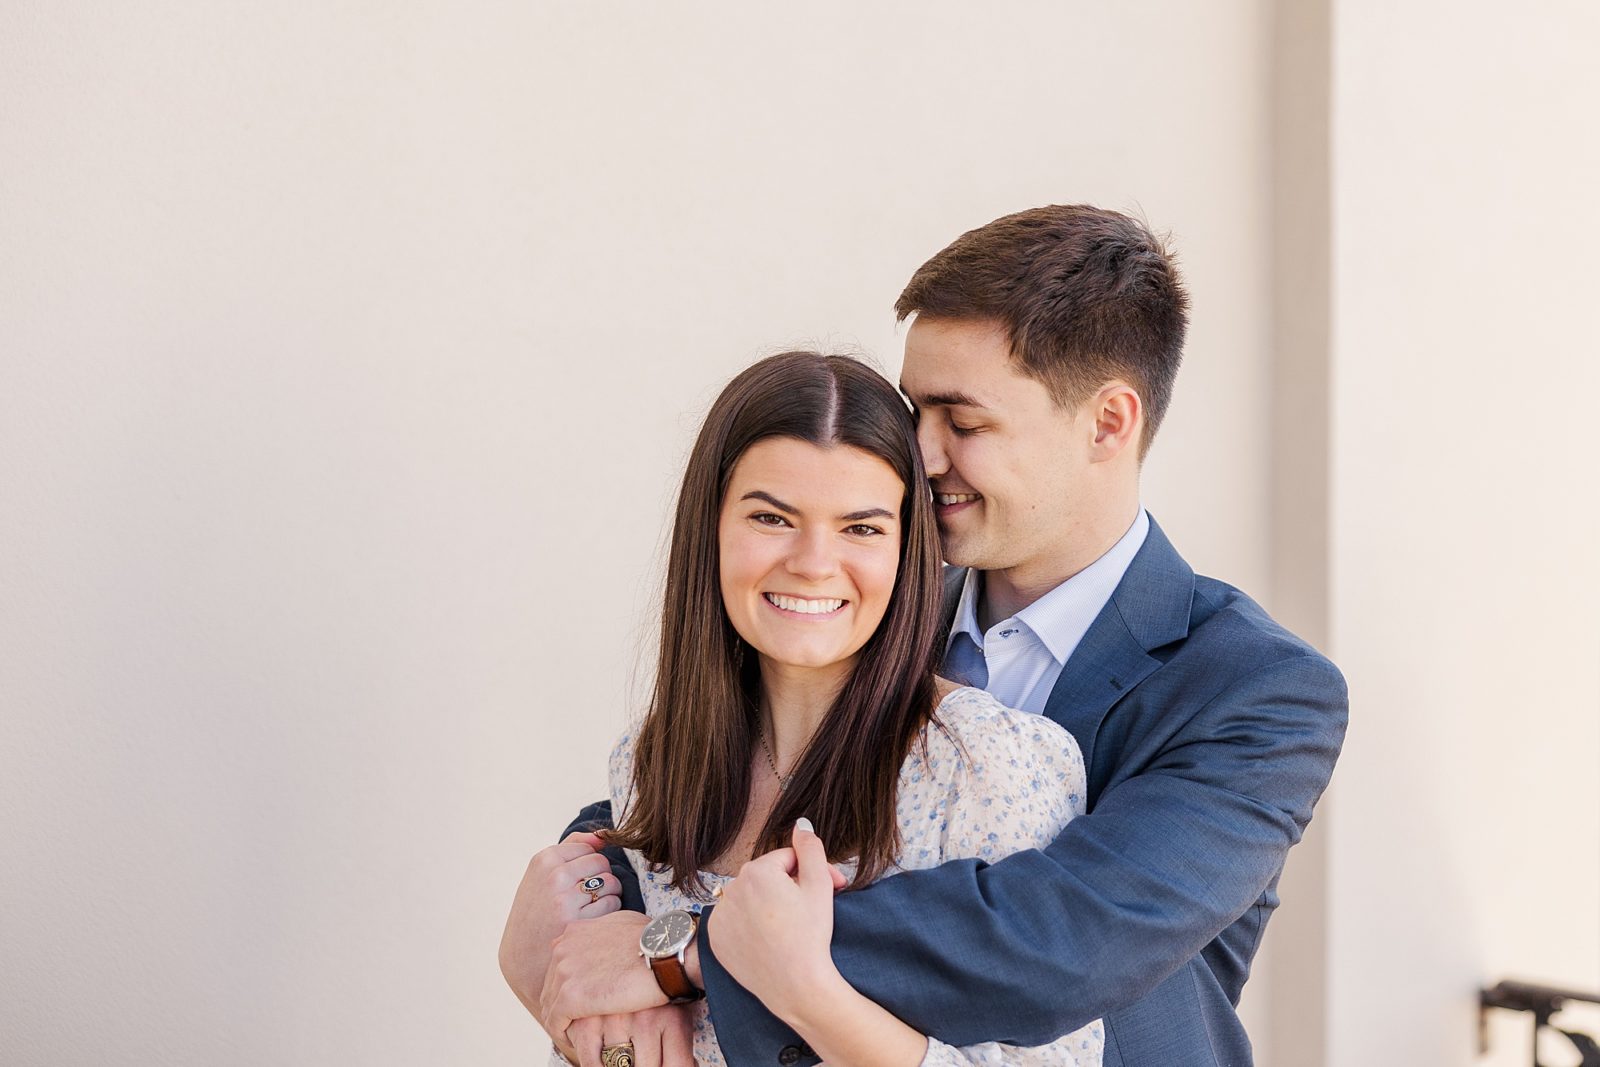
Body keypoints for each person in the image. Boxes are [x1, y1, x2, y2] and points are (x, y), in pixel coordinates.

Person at [509, 205, 1349, 1067]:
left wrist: (686, 954)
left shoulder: (1258, 688)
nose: (920, 451)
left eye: (964, 422)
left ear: (1107, 423)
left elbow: (1056, 938)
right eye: (916, 410)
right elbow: (698, 777)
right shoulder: (866, 598)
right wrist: (583, 904)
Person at [504, 351, 1105, 1067]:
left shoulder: (988, 765)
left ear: (908, 549)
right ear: (712, 529)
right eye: (772, 516)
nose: (815, 562)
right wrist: (552, 989)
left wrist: (808, 992)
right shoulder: (654, 759)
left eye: (862, 527)